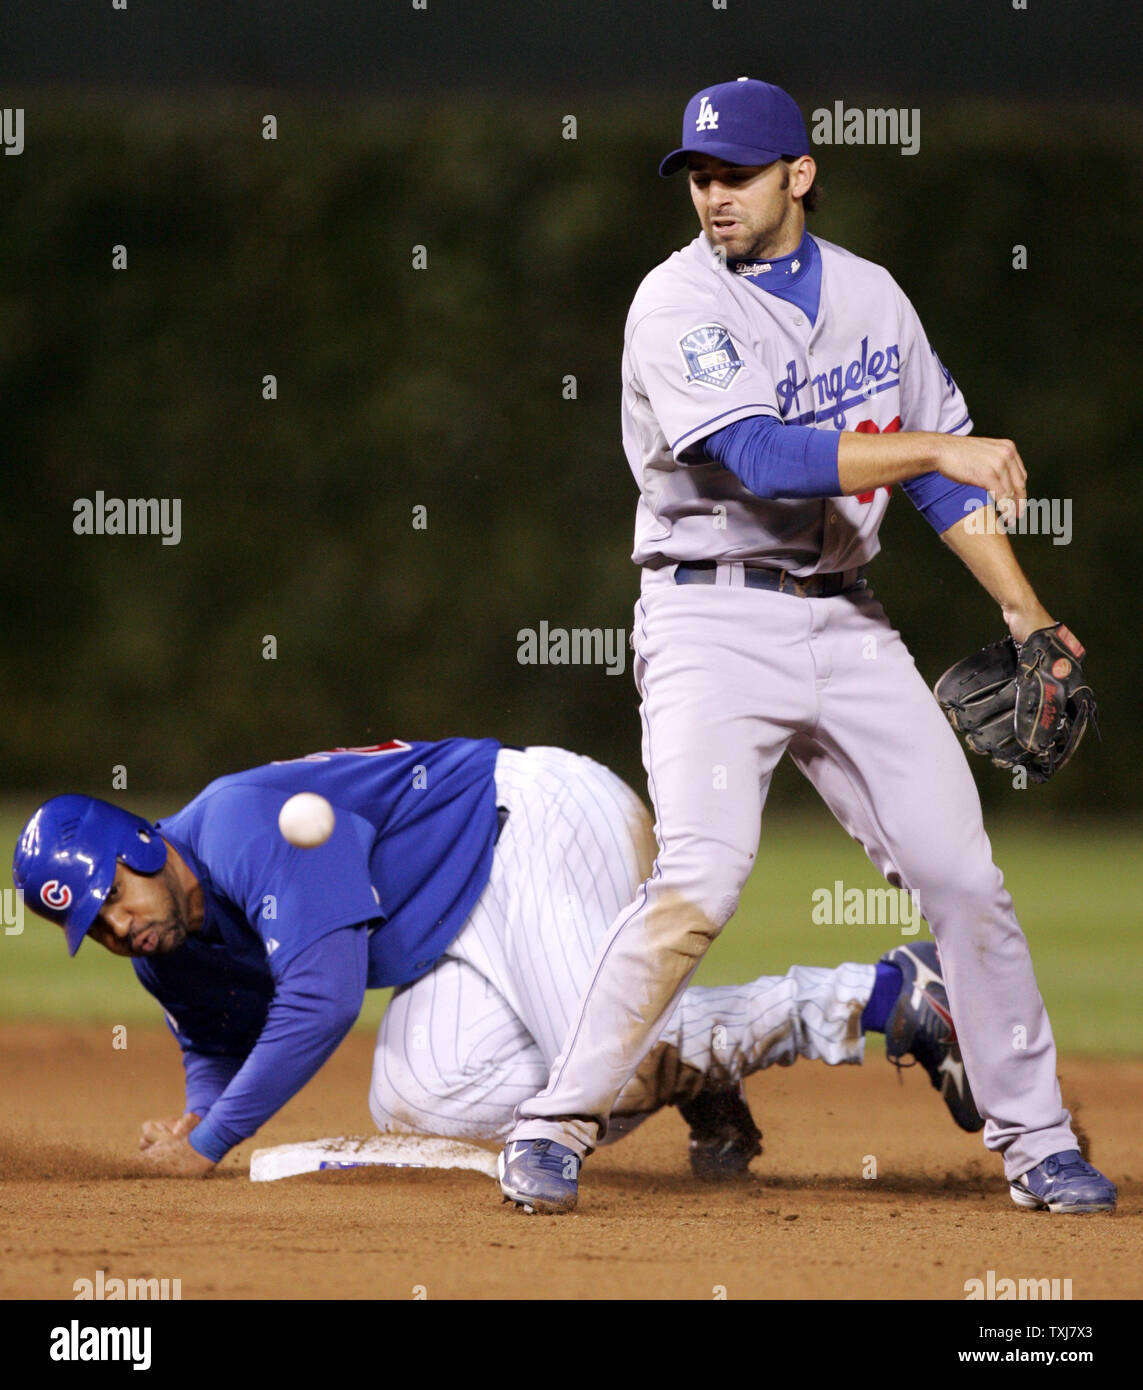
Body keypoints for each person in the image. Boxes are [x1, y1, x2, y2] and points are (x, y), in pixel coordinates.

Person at [498, 79, 1116, 1217]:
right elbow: (771, 457)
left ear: (802, 172)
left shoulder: (875, 299)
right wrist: (945, 444)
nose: (713, 195)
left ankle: (1035, 1138)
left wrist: (1023, 611)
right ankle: (555, 1120)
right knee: (700, 878)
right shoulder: (674, 300)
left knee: (965, 878)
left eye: (735, 173)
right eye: (698, 175)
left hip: (846, 614)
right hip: (709, 618)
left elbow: (935, 480)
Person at [13, 739, 979, 1182]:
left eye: (110, 901)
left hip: (533, 824)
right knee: (419, 1101)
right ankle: (686, 1070)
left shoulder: (242, 823)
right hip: (460, 926)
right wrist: (198, 1110)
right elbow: (219, 1033)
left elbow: (319, 999)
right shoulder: (159, 949)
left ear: (142, 847)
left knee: (605, 1059)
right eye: (90, 930)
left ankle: (886, 994)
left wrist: (211, 1143)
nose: (115, 930)